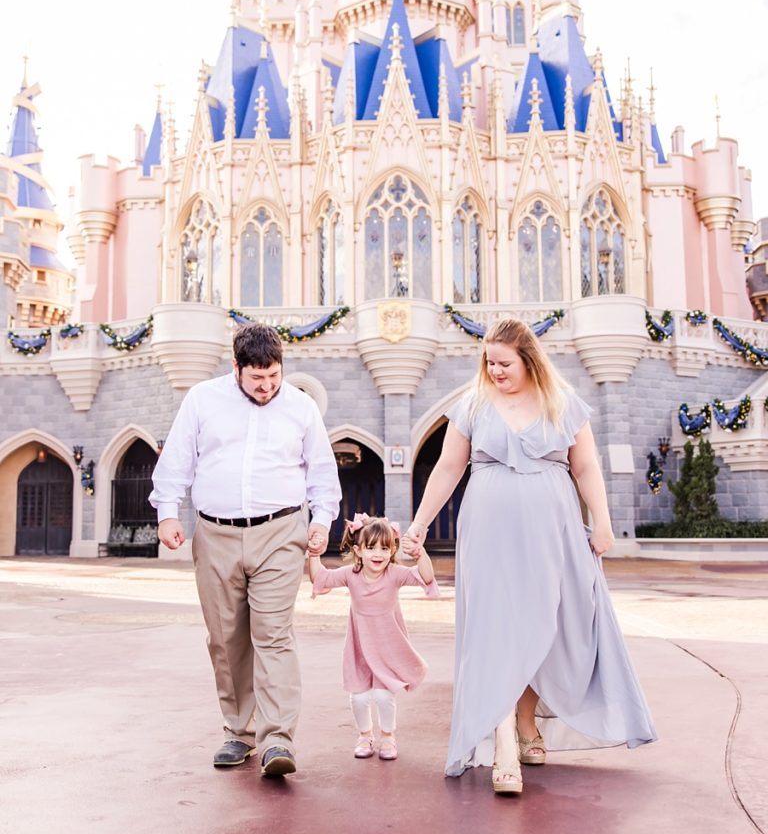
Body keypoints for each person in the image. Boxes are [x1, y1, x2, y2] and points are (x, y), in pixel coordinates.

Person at [402, 317, 656, 796]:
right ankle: (502, 745)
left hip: (552, 532)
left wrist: (602, 521)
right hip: (489, 533)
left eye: (504, 363)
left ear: (528, 359)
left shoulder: (563, 403)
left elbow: (585, 467)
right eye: (489, 362)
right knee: (495, 626)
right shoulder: (473, 404)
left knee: (549, 624)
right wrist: (416, 527)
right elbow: (447, 469)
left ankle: (525, 723)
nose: (495, 371)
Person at [149, 322, 341, 778]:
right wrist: (168, 512)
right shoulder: (202, 400)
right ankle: (240, 732)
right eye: (257, 378)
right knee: (226, 636)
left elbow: (321, 469)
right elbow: (177, 458)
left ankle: (278, 739)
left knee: (273, 634)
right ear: (235, 367)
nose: (267, 386)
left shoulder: (301, 407)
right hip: (214, 534)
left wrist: (322, 520)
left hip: (280, 532)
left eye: (274, 376)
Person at [308, 513, 439, 762]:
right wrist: (314, 555)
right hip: (359, 646)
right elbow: (321, 578)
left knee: (383, 694)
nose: (377, 554)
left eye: (384, 547)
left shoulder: (395, 574)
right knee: (358, 696)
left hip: (388, 645)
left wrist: (421, 555)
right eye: (370, 548)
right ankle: (365, 735)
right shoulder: (350, 574)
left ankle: (388, 736)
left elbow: (426, 577)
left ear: (392, 550)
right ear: (358, 550)